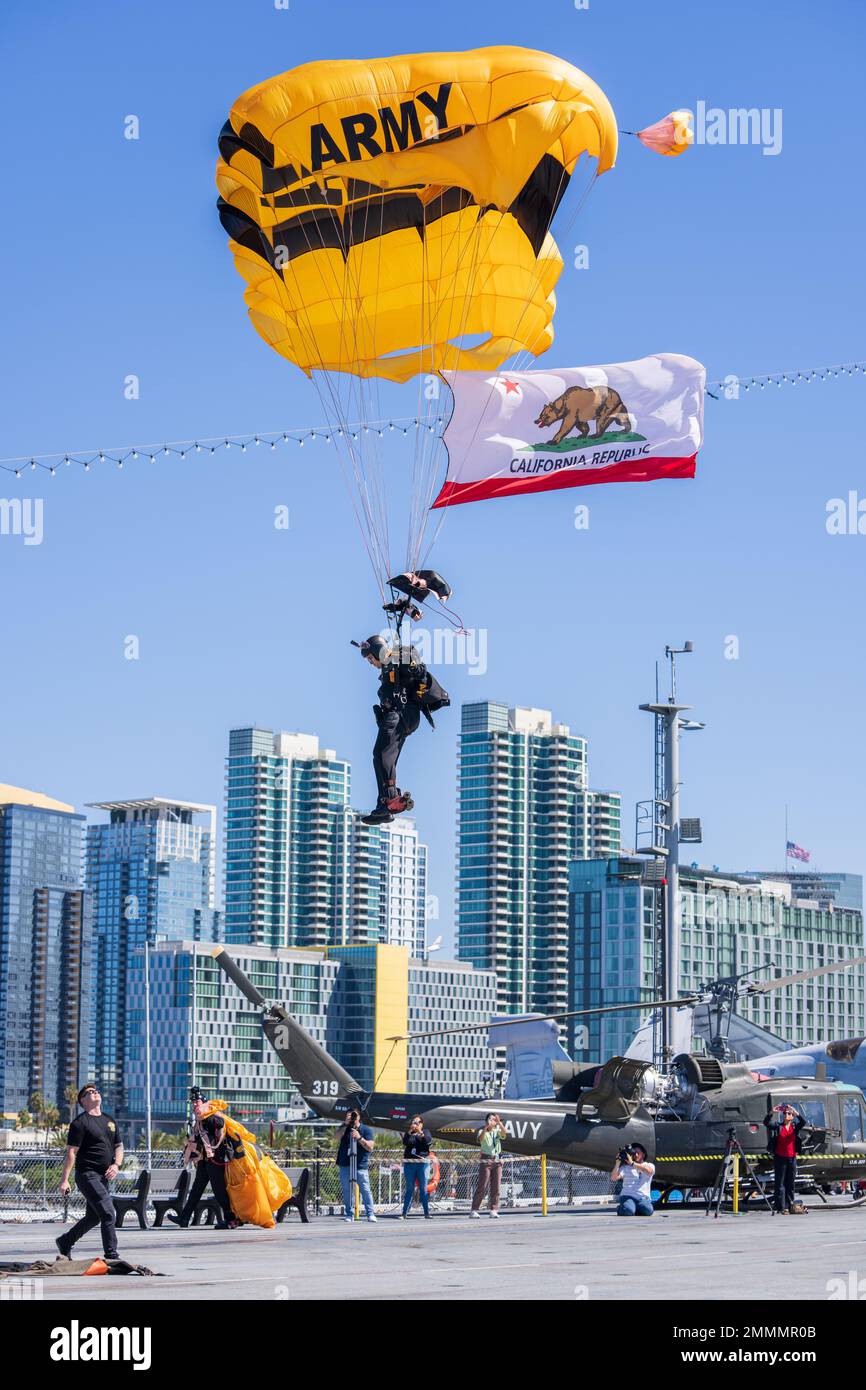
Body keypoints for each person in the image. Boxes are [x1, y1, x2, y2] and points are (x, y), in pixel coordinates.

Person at [358, 633, 449, 823]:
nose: (370, 662)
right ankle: (385, 804)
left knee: (381, 754)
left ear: (378, 652)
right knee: (383, 758)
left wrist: (406, 660)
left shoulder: (397, 660)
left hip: (400, 715)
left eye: (369, 658)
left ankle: (389, 797)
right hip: (401, 718)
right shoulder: (387, 670)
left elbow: (420, 670)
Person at [57, 1083, 123, 1261]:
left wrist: (116, 1165)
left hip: (103, 1177)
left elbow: (119, 1146)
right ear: (83, 1101)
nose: (95, 1093)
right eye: (89, 1092)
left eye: (96, 1091)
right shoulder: (80, 1123)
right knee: (109, 1213)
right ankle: (111, 1255)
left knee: (94, 1217)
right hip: (87, 1174)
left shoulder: (109, 1120)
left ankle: (66, 1241)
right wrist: (65, 1180)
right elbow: (71, 1152)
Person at [168, 1090, 236, 1229]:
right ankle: (184, 1218)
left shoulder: (210, 1115)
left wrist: (205, 1114)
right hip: (205, 1160)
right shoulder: (200, 1118)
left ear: (204, 1102)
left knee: (219, 1190)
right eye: (193, 1102)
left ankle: (231, 1219)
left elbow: (219, 1123)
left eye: (197, 1102)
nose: (194, 1105)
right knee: (196, 1190)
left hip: (215, 1160)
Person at [765, 1102, 808, 1214]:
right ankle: (781, 1206)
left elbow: (803, 1122)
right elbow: (766, 1123)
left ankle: (790, 1205)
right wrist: (771, 1112)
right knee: (780, 1183)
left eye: (789, 1113)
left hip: (792, 1158)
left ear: (792, 1116)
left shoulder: (794, 1128)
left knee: (791, 1183)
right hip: (780, 1158)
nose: (786, 1115)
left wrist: (795, 1111)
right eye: (785, 1113)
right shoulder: (778, 1126)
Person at [336, 1108, 377, 1222]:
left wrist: (359, 1137)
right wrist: (345, 1124)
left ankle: (370, 1213)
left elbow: (370, 1147)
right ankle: (349, 1214)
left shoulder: (366, 1129)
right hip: (345, 1163)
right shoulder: (345, 1128)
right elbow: (336, 1137)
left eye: (354, 1115)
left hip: (360, 1165)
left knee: (365, 1189)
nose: (352, 1117)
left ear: (359, 1116)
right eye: (349, 1115)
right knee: (347, 1190)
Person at [470, 1113, 506, 1218]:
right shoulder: (482, 1131)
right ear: (486, 1121)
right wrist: (486, 1128)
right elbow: (480, 1139)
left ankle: (494, 1209)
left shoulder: (497, 1131)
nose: (492, 1121)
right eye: (490, 1119)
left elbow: (505, 1133)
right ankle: (474, 1209)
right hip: (486, 1159)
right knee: (483, 1185)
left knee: (496, 1187)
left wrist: (500, 1123)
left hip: (497, 1159)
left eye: (494, 1120)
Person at [400, 1115, 433, 1219]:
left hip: (422, 1164)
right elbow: (406, 1142)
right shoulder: (409, 1133)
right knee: (410, 1188)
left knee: (423, 1189)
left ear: (421, 1124)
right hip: (410, 1164)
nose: (414, 1124)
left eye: (417, 1123)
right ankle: (404, 1212)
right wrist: (410, 1131)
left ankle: (426, 1213)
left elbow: (427, 1141)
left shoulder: (426, 1132)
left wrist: (420, 1132)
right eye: (413, 1122)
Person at [611, 1143, 655, 1216]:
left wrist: (632, 1164)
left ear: (643, 1154)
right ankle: (623, 1208)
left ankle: (632, 1208)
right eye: (634, 1153)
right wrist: (617, 1164)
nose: (636, 1155)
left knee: (648, 1211)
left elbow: (649, 1171)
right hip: (627, 1196)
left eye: (638, 1153)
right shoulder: (625, 1167)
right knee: (628, 1211)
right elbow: (613, 1178)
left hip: (642, 1197)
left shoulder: (649, 1165)